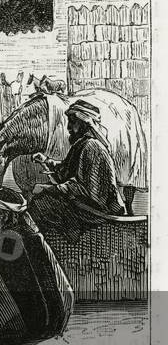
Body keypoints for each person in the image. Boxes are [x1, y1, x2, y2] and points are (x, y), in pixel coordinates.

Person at [29, 100, 125, 244]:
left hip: (98, 214)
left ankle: (63, 247)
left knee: (40, 205)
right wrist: (46, 161)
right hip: (88, 208)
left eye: (72, 122)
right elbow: (66, 169)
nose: (68, 127)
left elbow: (93, 194)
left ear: (84, 123)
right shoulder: (82, 144)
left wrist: (51, 189)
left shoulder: (92, 147)